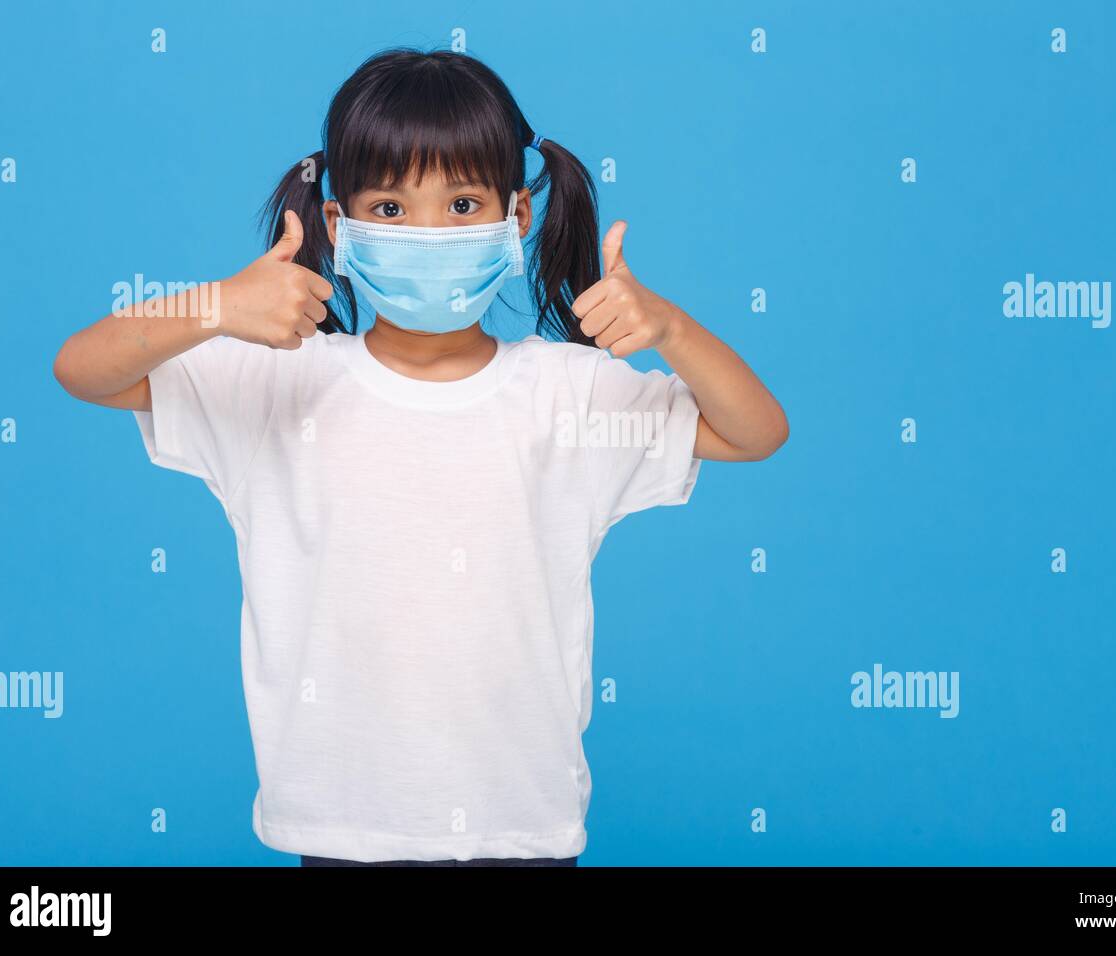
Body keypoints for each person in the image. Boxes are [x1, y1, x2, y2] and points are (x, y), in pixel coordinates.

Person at [52, 47, 788, 866]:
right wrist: (218, 305)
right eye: (393, 210)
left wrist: (674, 331)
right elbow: (83, 367)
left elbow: (755, 432)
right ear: (339, 226)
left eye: (464, 203)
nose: (430, 234)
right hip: (339, 823)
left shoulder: (570, 396)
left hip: (522, 821)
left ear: (517, 221)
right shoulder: (273, 386)